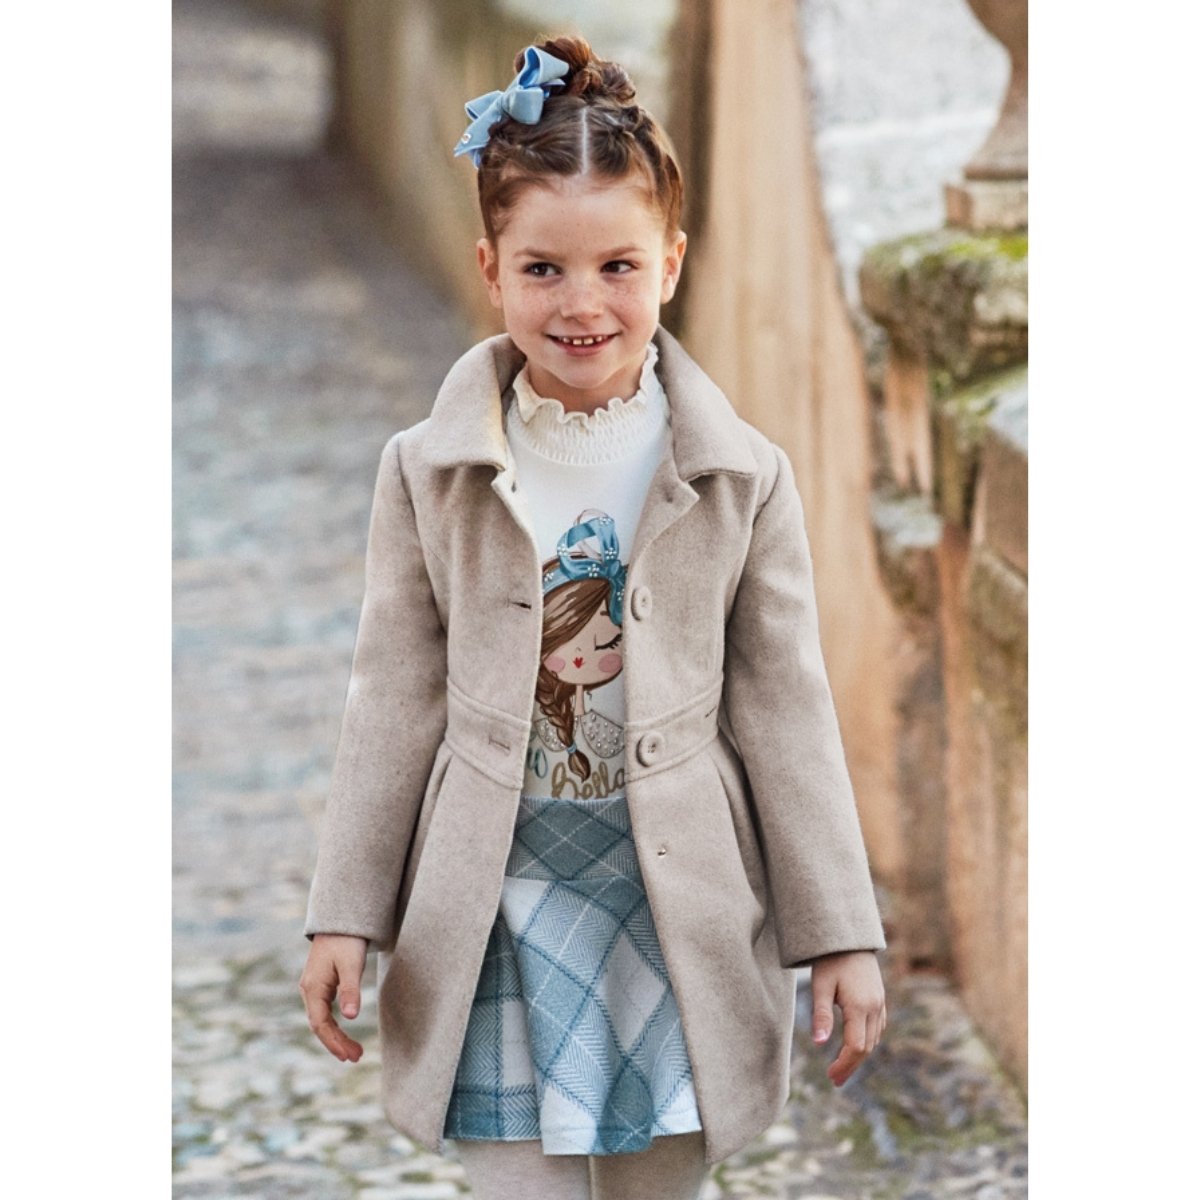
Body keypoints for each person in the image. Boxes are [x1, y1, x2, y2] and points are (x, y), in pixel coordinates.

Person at [300, 34, 887, 1200]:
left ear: (672, 263)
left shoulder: (743, 476)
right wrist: (345, 913)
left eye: (618, 265)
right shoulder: (428, 472)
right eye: (543, 269)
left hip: (676, 917)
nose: (582, 304)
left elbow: (786, 708)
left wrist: (840, 932)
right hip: (493, 914)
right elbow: (391, 694)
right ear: (491, 268)